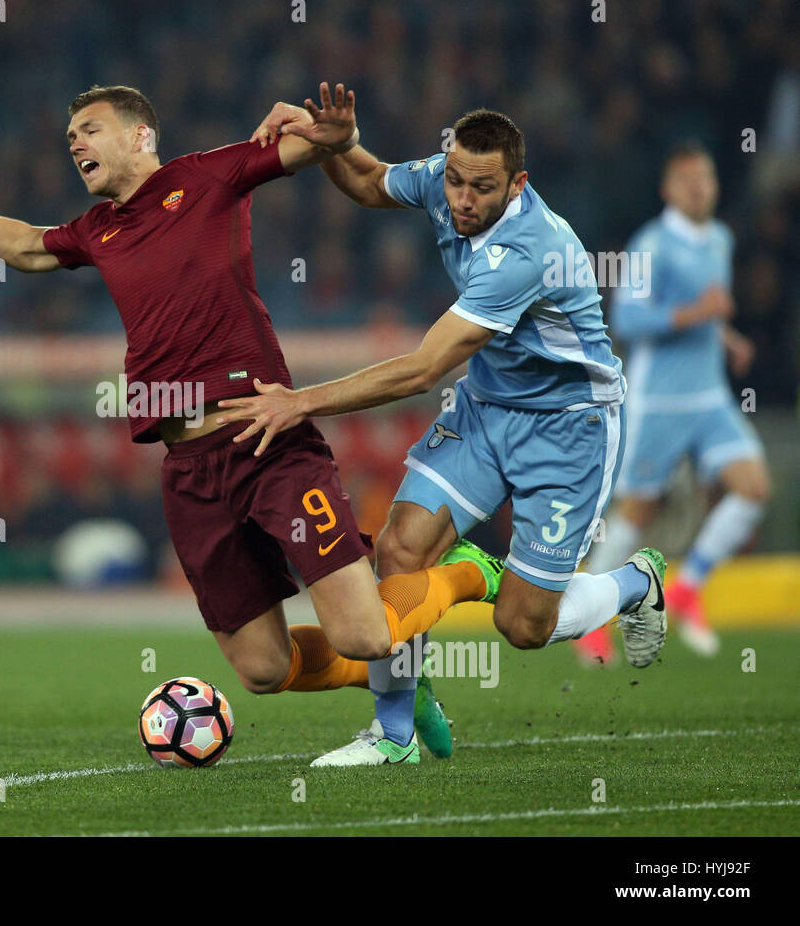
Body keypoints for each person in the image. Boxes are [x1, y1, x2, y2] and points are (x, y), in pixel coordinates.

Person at [0, 81, 503, 769]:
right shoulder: (99, 230)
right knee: (263, 669)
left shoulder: (207, 175)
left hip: (267, 441)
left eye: (90, 129)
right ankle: (402, 684)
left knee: (363, 632)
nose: (76, 144)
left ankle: (464, 574)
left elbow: (312, 149)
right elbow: (25, 247)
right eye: (70, 138)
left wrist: (336, 134)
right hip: (188, 471)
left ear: (140, 136)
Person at [217, 106, 669, 760]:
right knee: (400, 550)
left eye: (480, 188)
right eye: (455, 180)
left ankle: (636, 583)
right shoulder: (444, 177)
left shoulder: (531, 252)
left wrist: (299, 402)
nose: (461, 198)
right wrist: (339, 144)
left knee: (521, 625)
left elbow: (423, 369)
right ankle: (394, 734)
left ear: (516, 185)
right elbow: (371, 183)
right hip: (485, 408)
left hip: (568, 431)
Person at [577, 142, 771, 661]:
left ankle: (687, 590)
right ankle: (588, 617)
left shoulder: (721, 239)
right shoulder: (652, 244)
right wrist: (695, 312)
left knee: (752, 488)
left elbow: (710, 310)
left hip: (709, 396)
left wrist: (727, 337)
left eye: (706, 177)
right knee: (639, 509)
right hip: (658, 402)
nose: (699, 187)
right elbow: (630, 321)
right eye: (688, 180)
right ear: (668, 189)